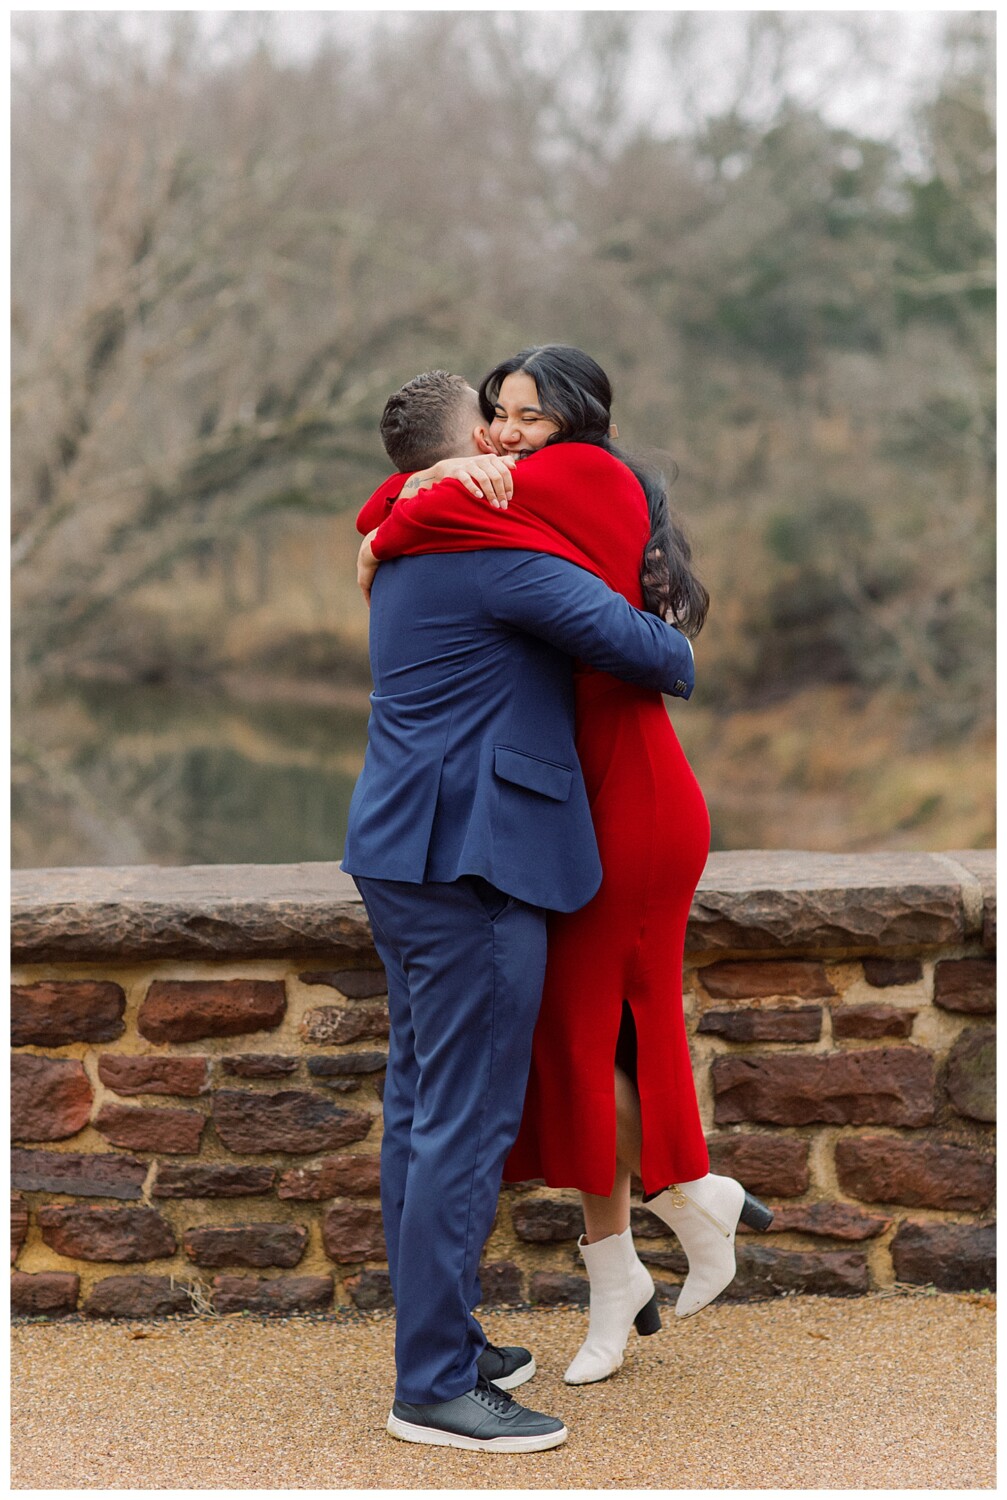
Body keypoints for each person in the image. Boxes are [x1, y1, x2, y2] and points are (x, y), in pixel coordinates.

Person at [357, 345, 772, 1390]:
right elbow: (400, 491)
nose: (505, 434)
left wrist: (406, 499)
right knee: (566, 1039)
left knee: (588, 1031)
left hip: (619, 791)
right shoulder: (481, 517)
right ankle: (640, 1238)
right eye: (492, 417)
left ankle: (669, 1208)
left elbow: (665, 656)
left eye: (526, 416)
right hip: (541, 811)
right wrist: (416, 489)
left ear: (575, 418)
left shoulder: (569, 477)